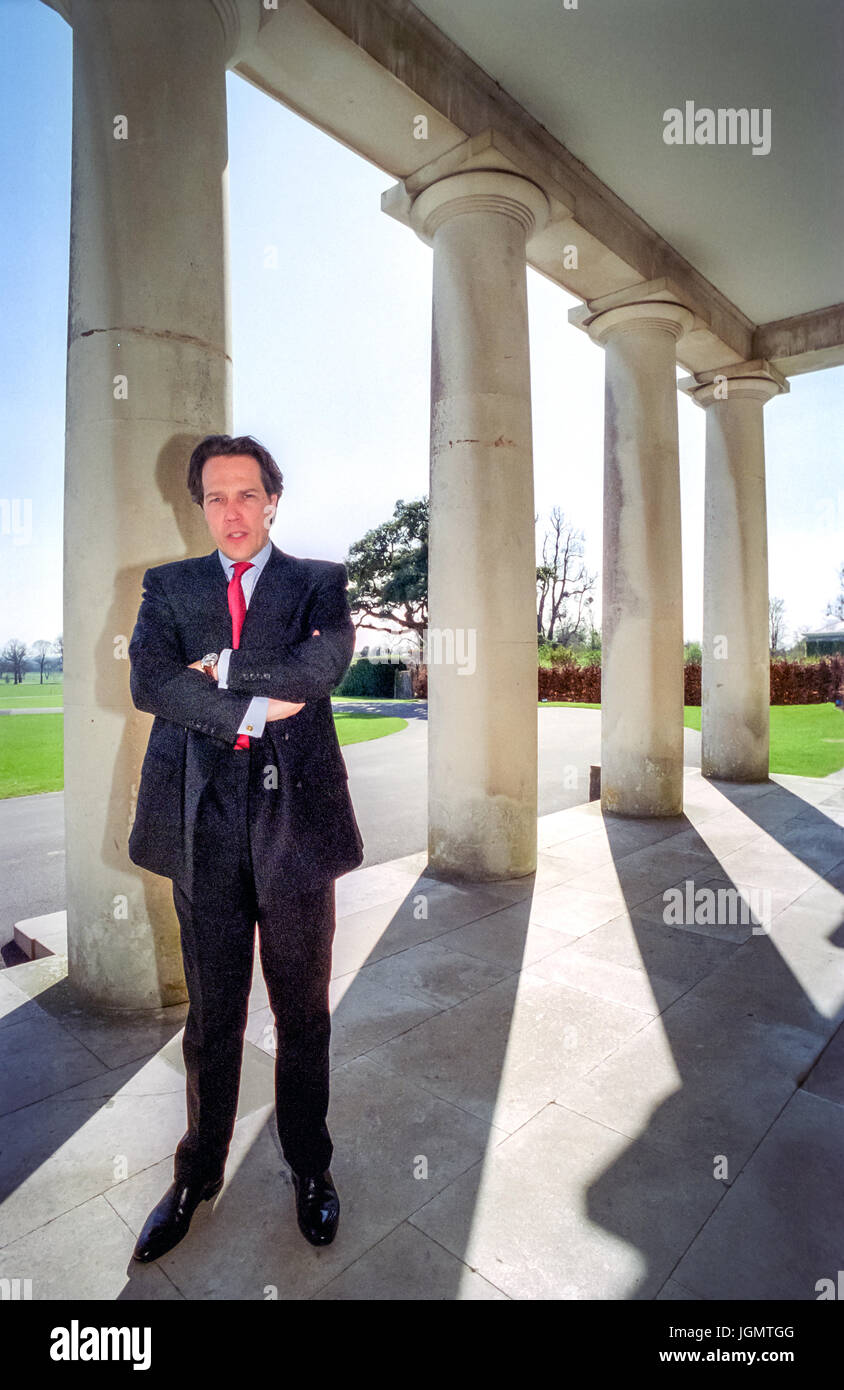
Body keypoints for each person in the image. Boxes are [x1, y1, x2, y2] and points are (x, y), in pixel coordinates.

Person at [126, 433, 364, 1261]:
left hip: (294, 819)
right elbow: (149, 680)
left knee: (303, 1013)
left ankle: (309, 1167)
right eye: (216, 496)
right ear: (201, 505)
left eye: (247, 494)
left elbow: (322, 667)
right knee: (213, 1015)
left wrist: (222, 666)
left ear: (273, 501)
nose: (232, 511)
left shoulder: (318, 585)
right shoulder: (170, 586)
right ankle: (199, 1172)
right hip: (203, 821)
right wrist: (255, 707)